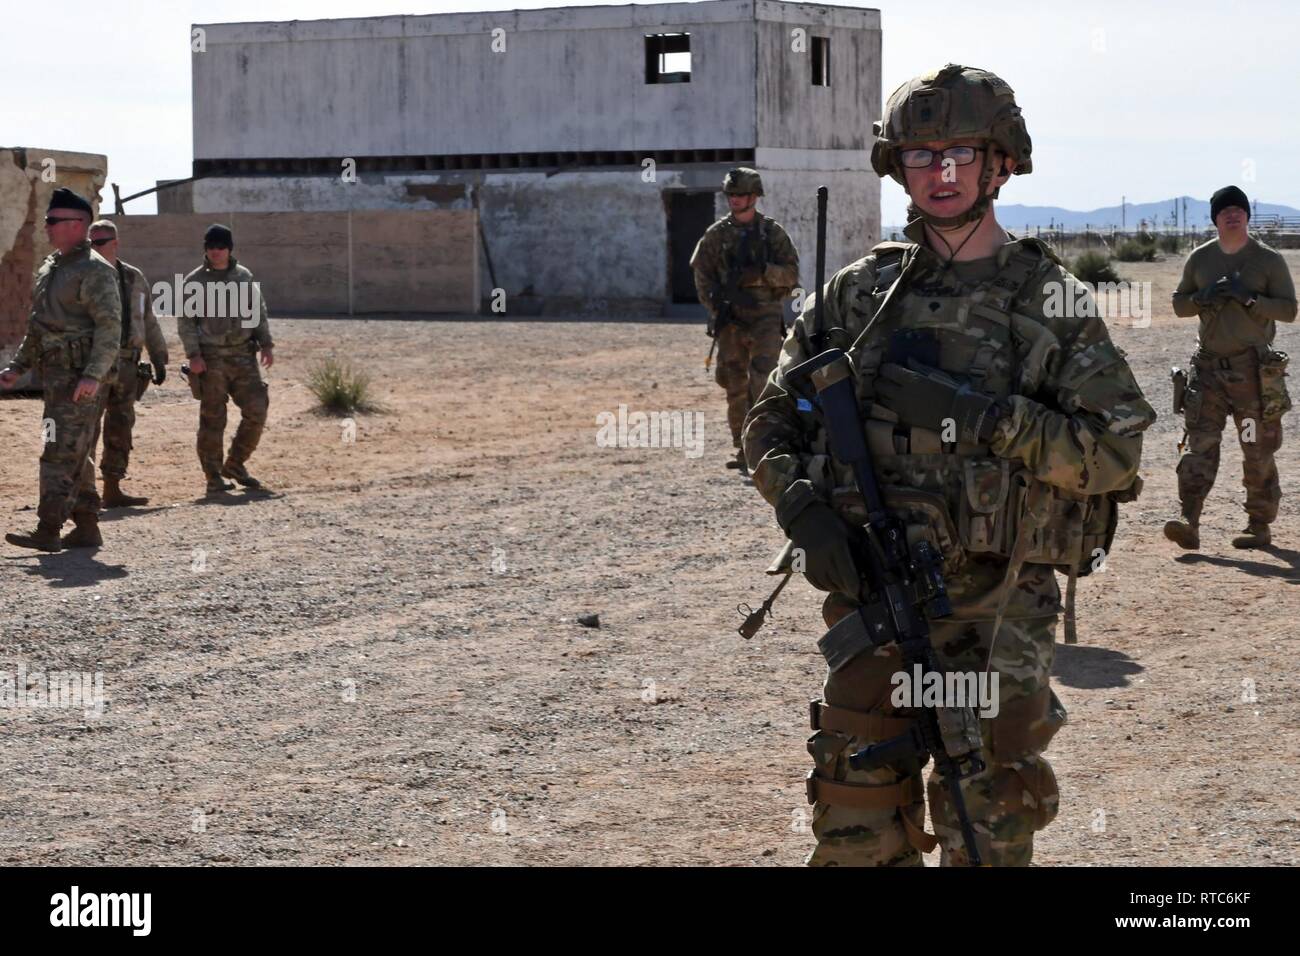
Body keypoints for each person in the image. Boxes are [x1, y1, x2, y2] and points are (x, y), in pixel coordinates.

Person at [743, 64, 1155, 866]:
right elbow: (770, 420)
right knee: (853, 821)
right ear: (897, 164)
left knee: (987, 825)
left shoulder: (1049, 300)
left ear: (1001, 163)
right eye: (922, 153)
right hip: (874, 602)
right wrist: (802, 509)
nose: (941, 171)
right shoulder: (855, 298)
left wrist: (983, 419)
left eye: (961, 151)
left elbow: (1116, 450)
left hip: (999, 617)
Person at [1164, 185, 1297, 550]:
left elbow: (1289, 310)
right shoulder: (1201, 259)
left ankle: (1258, 525)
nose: (1233, 215)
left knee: (1255, 448)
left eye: (1239, 209)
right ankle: (1188, 520)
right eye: (1225, 211)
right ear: (1216, 219)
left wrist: (1251, 298)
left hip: (1251, 376)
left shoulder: (1268, 260)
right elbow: (1179, 305)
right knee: (1200, 446)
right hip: (1208, 373)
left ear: (1247, 216)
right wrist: (1200, 298)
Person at [1, 189, 122, 551]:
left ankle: (48, 529)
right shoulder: (52, 267)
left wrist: (93, 375)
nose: (46, 226)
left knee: (58, 450)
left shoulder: (95, 271)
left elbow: (110, 328)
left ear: (78, 225)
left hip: (81, 378)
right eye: (47, 220)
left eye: (53, 221)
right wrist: (18, 367)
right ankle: (86, 525)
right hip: (56, 377)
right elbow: (39, 324)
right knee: (75, 450)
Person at [690, 167, 799, 473]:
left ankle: (767, 445)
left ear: (754, 196)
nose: (735, 200)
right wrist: (716, 306)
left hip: (765, 316)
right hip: (732, 319)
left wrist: (763, 272)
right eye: (731, 195)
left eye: (740, 195)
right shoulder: (716, 235)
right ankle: (742, 448)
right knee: (734, 384)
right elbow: (701, 273)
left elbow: (791, 275)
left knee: (765, 381)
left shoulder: (772, 233)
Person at [177, 223, 274, 496]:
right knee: (212, 419)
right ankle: (212, 476)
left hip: (244, 356)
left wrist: (266, 344)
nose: (216, 252)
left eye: (221, 247)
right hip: (212, 360)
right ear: (205, 250)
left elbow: (258, 311)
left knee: (257, 409)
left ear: (229, 249)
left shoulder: (244, 277)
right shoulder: (194, 282)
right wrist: (194, 356)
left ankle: (235, 464)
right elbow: (185, 322)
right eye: (211, 247)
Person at [85, 220, 169, 508]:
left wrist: (159, 357)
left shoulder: (134, 278)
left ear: (115, 242)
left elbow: (148, 320)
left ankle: (112, 487)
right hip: (95, 365)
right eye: (90, 242)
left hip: (128, 364)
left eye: (99, 242)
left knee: (121, 425)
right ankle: (84, 493)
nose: (93, 247)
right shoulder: (84, 276)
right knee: (88, 428)